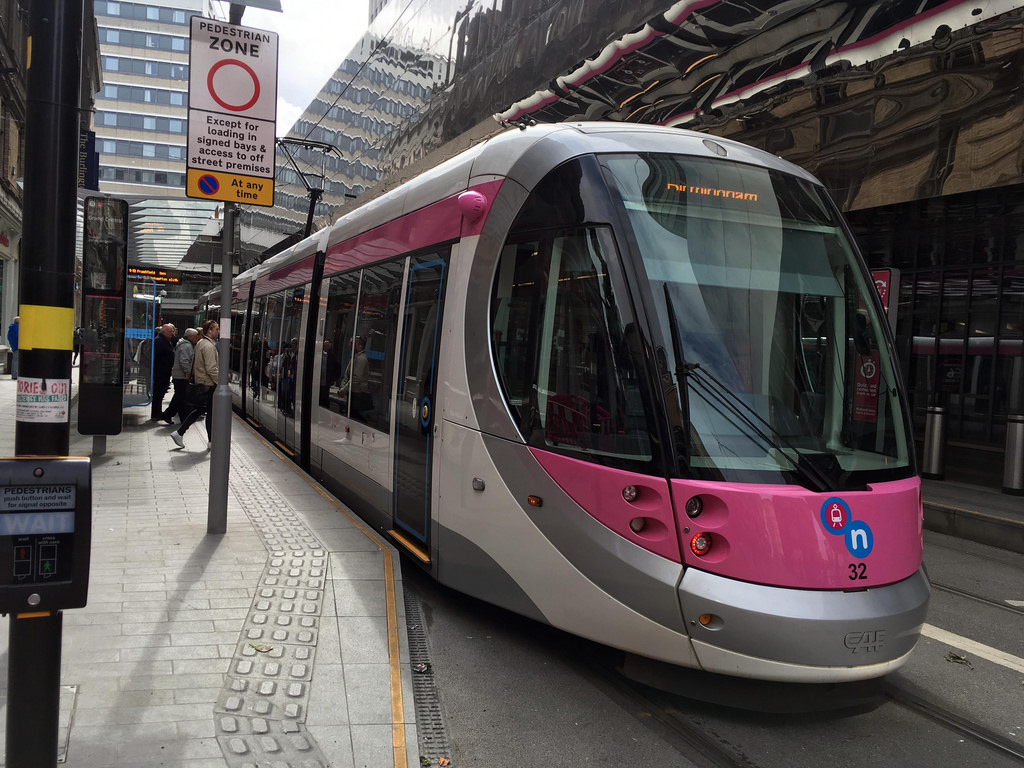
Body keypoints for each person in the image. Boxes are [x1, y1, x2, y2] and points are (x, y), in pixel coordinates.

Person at [171, 319, 218, 450]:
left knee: (202, 410)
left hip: (202, 382)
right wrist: (221, 384)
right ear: (209, 330)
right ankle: (210, 441)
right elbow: (211, 368)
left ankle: (179, 433)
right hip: (207, 384)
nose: (218, 332)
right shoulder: (208, 346)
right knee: (209, 412)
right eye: (216, 329)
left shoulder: (201, 343)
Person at [162, 327, 198, 424]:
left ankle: (183, 417)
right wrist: (188, 373)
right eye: (196, 336)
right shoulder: (186, 346)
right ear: (191, 337)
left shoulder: (184, 344)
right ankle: (167, 414)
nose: (197, 339)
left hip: (178, 374)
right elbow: (184, 361)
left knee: (181, 397)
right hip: (181, 376)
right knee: (179, 397)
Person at [339, 335, 371, 419]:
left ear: (360, 346)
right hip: (354, 393)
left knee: (354, 416)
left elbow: (355, 379)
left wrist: (343, 390)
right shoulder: (356, 357)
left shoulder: (361, 359)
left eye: (352, 343)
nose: (350, 344)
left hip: (357, 394)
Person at [151, 323, 176, 420]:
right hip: (160, 372)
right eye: (170, 332)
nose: (172, 333)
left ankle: (157, 412)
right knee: (158, 393)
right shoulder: (159, 341)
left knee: (160, 394)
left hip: (164, 372)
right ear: (164, 332)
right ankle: (156, 414)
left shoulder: (165, 340)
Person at [319, 339, 342, 409]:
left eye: (326, 346)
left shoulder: (332, 356)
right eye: (324, 346)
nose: (324, 347)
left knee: (325, 397)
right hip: (320, 380)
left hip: (327, 381)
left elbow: (337, 367)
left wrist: (334, 378)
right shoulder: (320, 354)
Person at [6, 315, 17, 380]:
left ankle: (14, 374)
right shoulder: (20, 328)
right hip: (19, 346)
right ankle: (16, 374)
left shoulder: (11, 328)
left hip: (14, 346)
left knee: (14, 360)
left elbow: (9, 337)